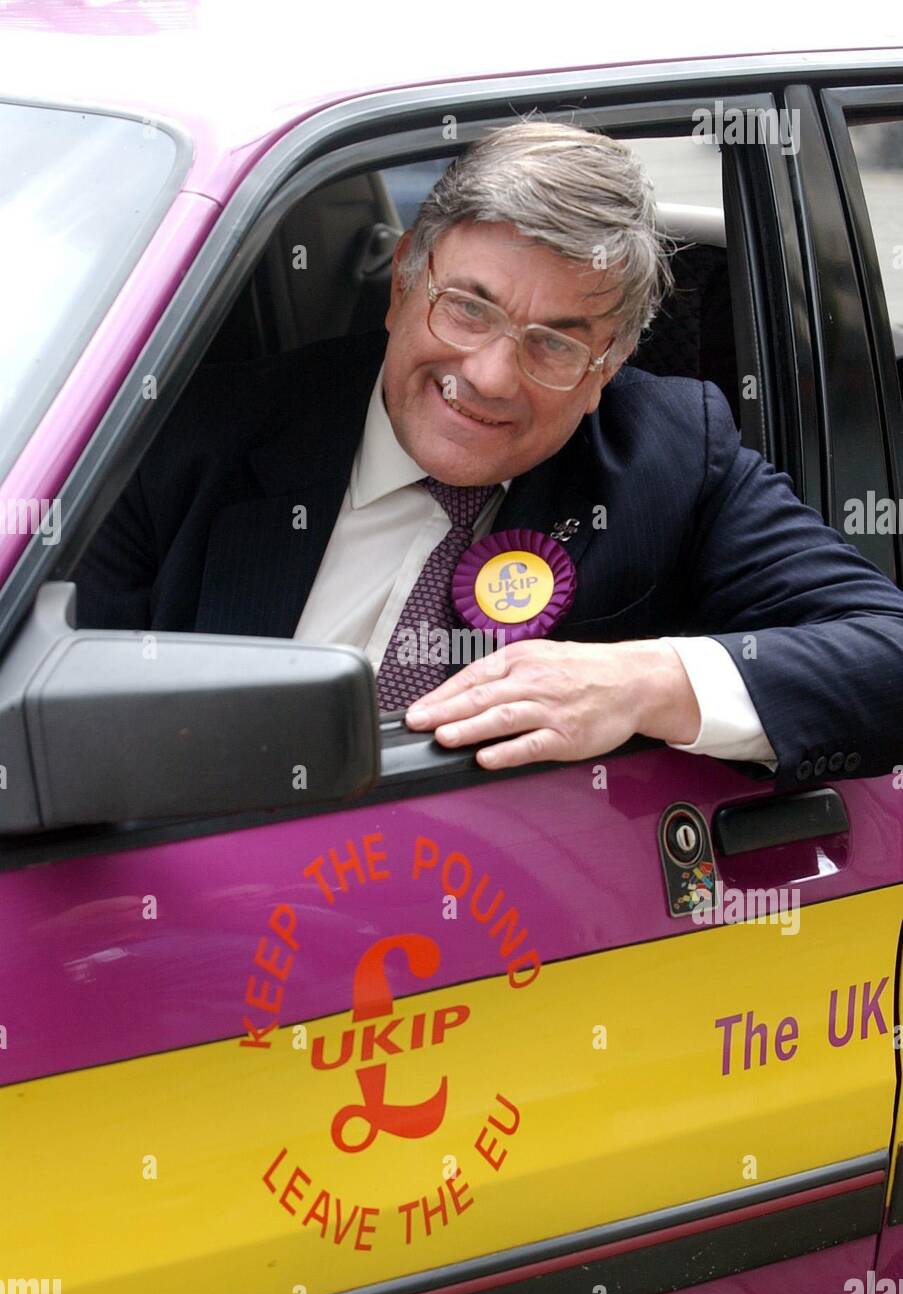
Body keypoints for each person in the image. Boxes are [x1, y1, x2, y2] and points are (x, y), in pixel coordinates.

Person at [73, 121, 903, 793]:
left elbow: (884, 653)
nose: (490, 376)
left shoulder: (673, 458)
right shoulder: (190, 438)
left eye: (554, 344)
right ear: (403, 283)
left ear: (608, 366)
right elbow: (59, 709)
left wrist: (637, 684)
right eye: (468, 309)